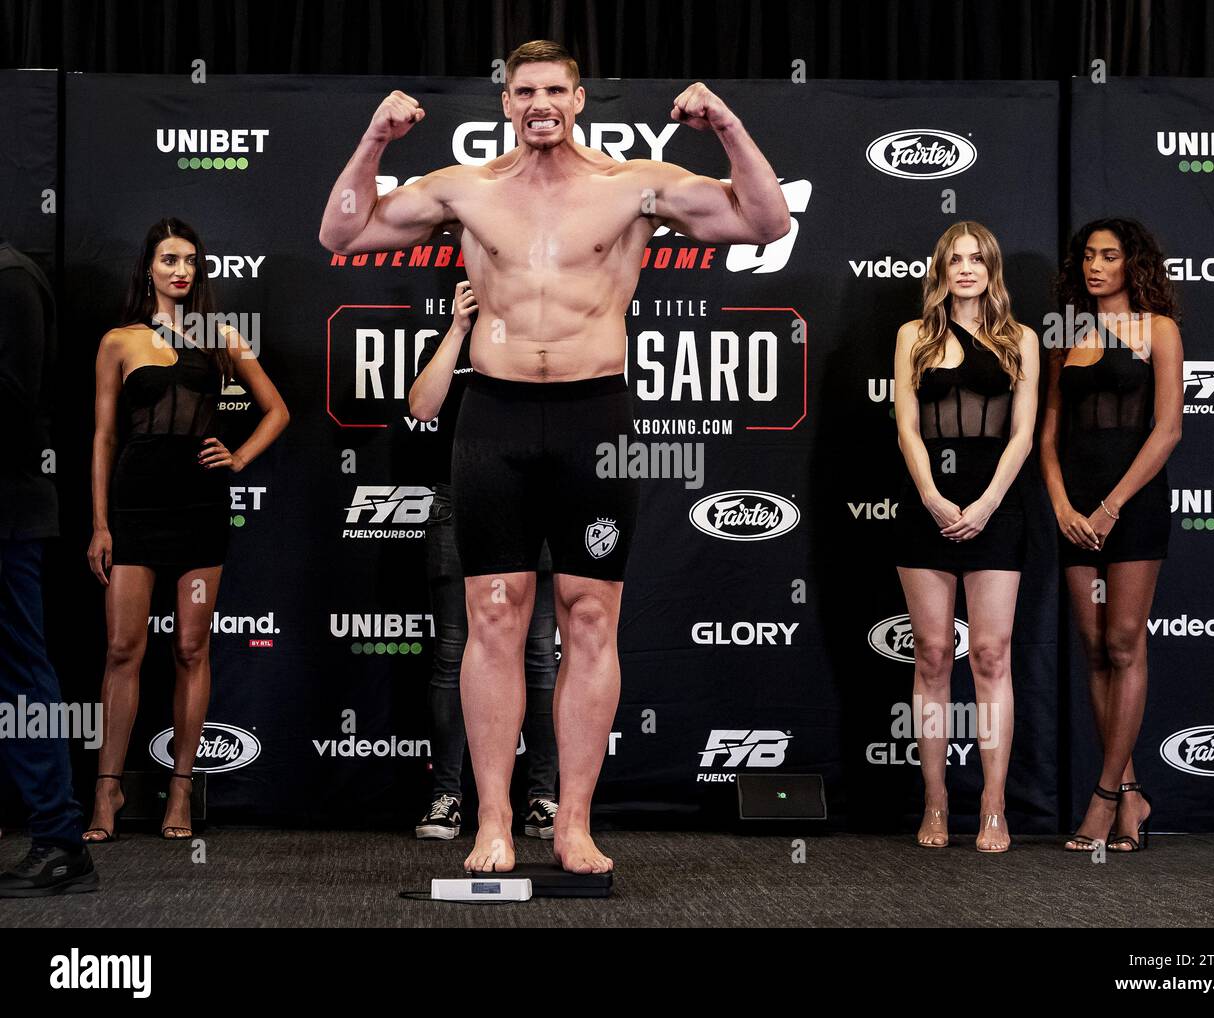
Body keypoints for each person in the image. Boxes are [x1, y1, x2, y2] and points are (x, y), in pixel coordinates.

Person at [320, 39, 789, 873]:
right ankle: (493, 821)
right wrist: (374, 141)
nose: (540, 103)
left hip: (595, 420)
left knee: (590, 618)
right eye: (523, 89)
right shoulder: (467, 189)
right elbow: (341, 232)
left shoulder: (631, 184)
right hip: (494, 418)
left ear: (580, 99)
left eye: (555, 89)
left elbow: (765, 220)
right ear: (504, 101)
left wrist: (725, 122)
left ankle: (572, 823)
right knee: (494, 619)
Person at [84, 218, 289, 842]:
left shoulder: (219, 335)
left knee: (192, 649)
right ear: (148, 266)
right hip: (136, 507)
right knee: (123, 649)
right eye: (169, 258)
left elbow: (278, 409)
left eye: (192, 261)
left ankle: (180, 791)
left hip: (200, 506)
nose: (181, 270)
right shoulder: (119, 341)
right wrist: (99, 524)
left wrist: (239, 457)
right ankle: (108, 790)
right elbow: (104, 437)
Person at [892, 222, 1039, 852]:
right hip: (925, 503)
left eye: (977, 259)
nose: (967, 269)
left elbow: (1024, 436)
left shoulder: (1022, 340)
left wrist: (984, 504)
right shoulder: (913, 336)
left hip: (996, 504)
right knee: (930, 657)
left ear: (992, 269)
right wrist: (930, 496)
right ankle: (935, 802)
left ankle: (993, 806)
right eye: (955, 260)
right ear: (941, 270)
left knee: (990, 655)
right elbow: (906, 428)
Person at [1040, 218, 1181, 853]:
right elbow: (1048, 436)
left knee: (1125, 643)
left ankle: (1102, 798)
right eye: (1089, 256)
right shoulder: (1063, 334)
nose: (1097, 266)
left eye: (1111, 256)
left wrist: (1110, 507)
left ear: (1133, 264)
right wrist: (1067, 506)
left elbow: (1168, 429)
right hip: (1074, 513)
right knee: (1094, 647)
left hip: (1134, 507)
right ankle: (1130, 793)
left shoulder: (1158, 331)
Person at [408, 280, 560, 841]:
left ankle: (543, 797)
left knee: (541, 657)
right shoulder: (457, 336)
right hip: (460, 505)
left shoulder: (547, 338)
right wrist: (457, 329)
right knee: (453, 654)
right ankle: (448, 796)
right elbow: (422, 407)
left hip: (540, 510)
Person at [0, 239, 98, 896]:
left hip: (7, 512)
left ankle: (60, 840)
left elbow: (10, 402)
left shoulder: (10, 281)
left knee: (19, 676)